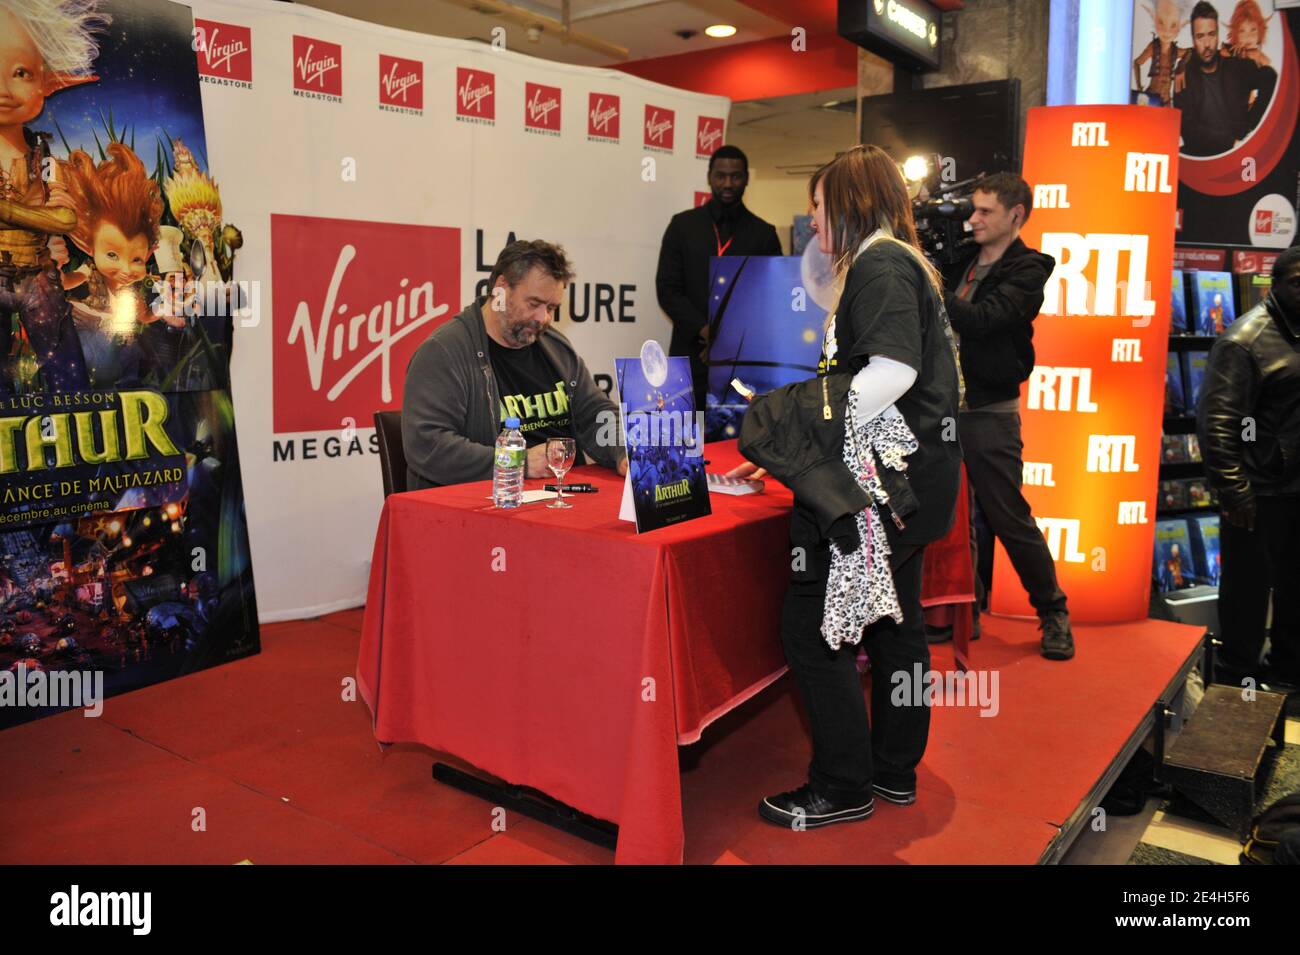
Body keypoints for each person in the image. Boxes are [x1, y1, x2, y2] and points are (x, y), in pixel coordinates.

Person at [733, 145, 961, 827]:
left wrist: (799, 427)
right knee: (897, 625)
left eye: (818, 205)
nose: (812, 221)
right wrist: (802, 441)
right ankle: (893, 769)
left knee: (812, 628)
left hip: (884, 486)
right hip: (907, 480)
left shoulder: (880, 264)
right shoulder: (896, 262)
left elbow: (890, 373)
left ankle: (841, 783)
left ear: (851, 202)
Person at [941, 172, 1073, 660]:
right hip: (942, 408)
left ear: (1015, 215)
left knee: (1007, 516)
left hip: (989, 411)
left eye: (985, 211)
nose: (973, 219)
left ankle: (1053, 612)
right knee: (953, 519)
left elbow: (983, 321)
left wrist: (929, 287)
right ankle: (964, 610)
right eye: (971, 209)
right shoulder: (959, 259)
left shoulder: (1029, 268)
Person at [402, 240, 627, 489]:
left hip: (562, 495)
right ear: (501, 289)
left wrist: (624, 451)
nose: (543, 318)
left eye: (551, 307)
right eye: (534, 304)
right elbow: (427, 445)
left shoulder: (555, 347)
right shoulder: (444, 352)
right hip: (487, 500)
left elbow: (595, 413)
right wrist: (518, 461)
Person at [1197, 246, 1300, 691]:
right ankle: (1237, 687)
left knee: (1295, 591)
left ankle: (1288, 676)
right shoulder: (1244, 340)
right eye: (1297, 282)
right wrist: (1235, 490)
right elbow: (1218, 422)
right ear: (1275, 285)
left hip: (1293, 487)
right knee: (1246, 598)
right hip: (1259, 492)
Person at [655, 144, 782, 410]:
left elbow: (770, 297)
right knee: (685, 431)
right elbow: (668, 289)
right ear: (709, 177)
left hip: (742, 361)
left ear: (746, 179)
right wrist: (705, 331)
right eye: (721, 176)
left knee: (736, 432)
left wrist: (728, 338)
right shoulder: (682, 226)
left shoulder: (763, 234)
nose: (727, 184)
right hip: (690, 354)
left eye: (735, 176)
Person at [1174, 0, 1276, 157]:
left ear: (1218, 35)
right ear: (1193, 40)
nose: (1207, 44)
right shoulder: (1184, 75)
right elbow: (1187, 129)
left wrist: (1251, 125)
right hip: (1202, 158)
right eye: (1200, 37)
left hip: (1239, 157)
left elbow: (1270, 77)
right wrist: (1231, 143)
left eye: (1211, 34)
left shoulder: (1236, 65)